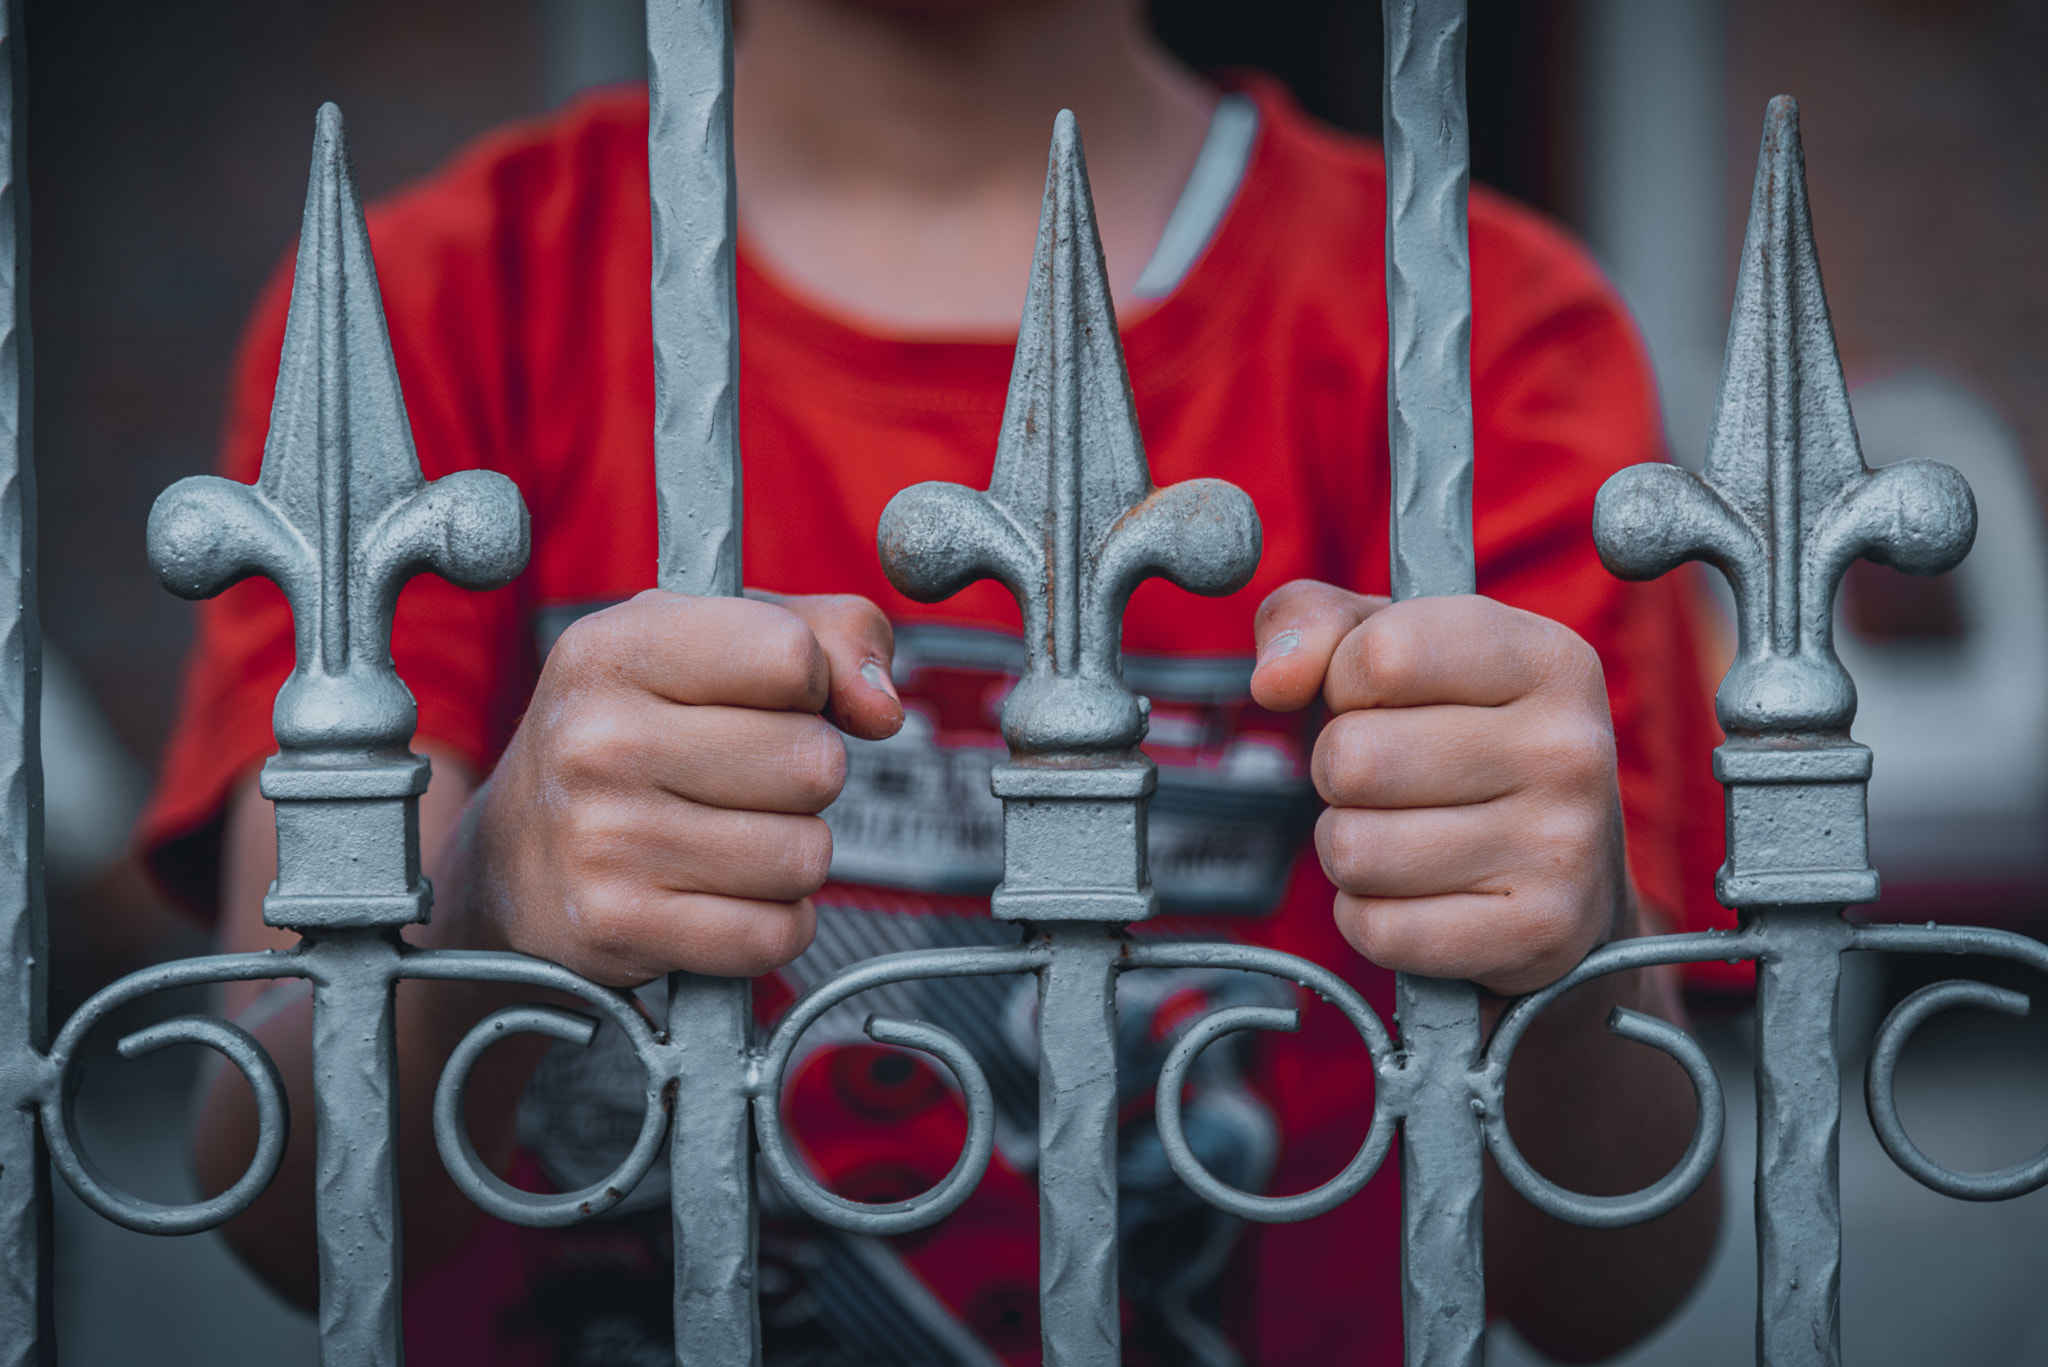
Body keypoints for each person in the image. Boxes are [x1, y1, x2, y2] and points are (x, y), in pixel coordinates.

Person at [142, 1, 1733, 1363]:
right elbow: (285, 1208)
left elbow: (1616, 1279)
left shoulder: (1485, 339)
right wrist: (484, 904)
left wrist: (1566, 956)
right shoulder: (429, 311)